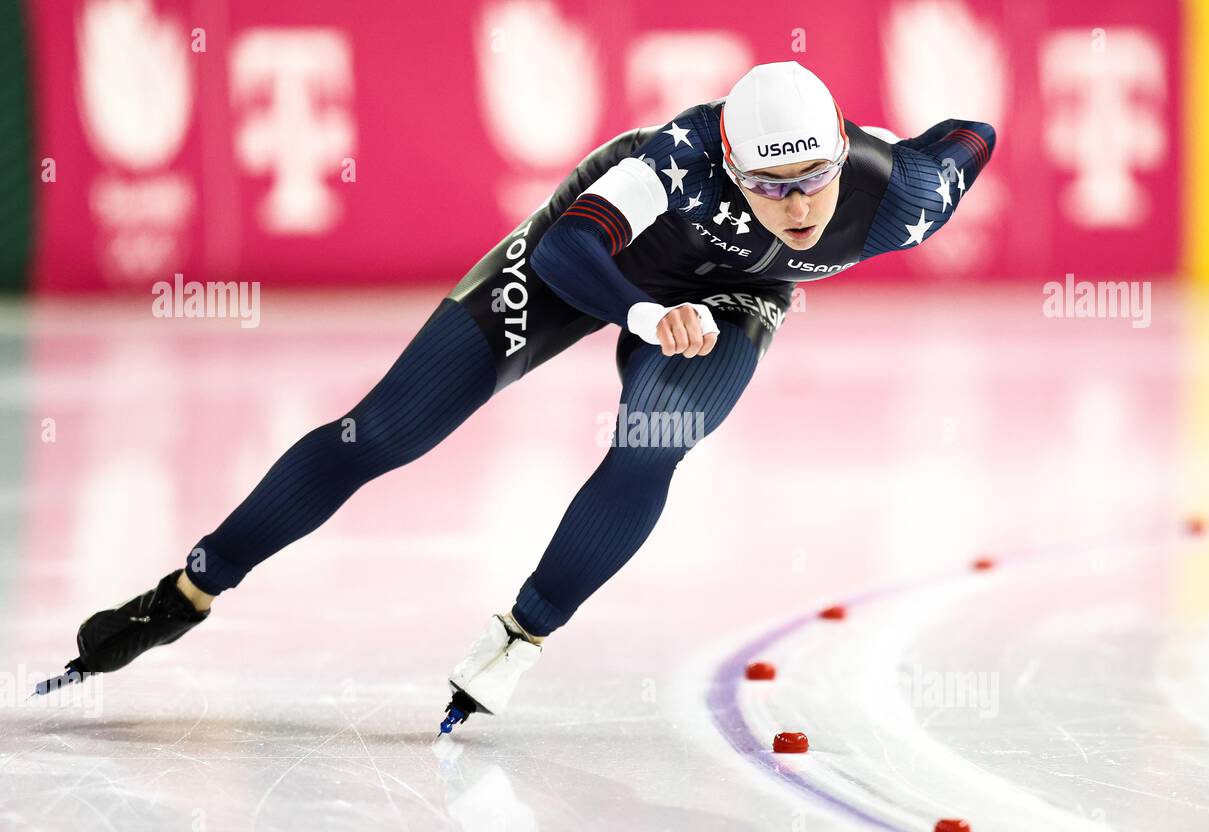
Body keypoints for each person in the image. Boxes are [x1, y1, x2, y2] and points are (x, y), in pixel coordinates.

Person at [47, 61, 995, 732]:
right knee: (380, 433)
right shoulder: (670, 162)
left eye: (814, 178)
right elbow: (564, 252)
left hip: (732, 295)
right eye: (770, 186)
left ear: (840, 152)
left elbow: (970, 139)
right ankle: (188, 590)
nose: (799, 205)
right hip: (589, 264)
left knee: (654, 439)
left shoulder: (899, 196)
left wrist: (885, 142)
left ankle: (525, 630)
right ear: (731, 167)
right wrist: (639, 317)